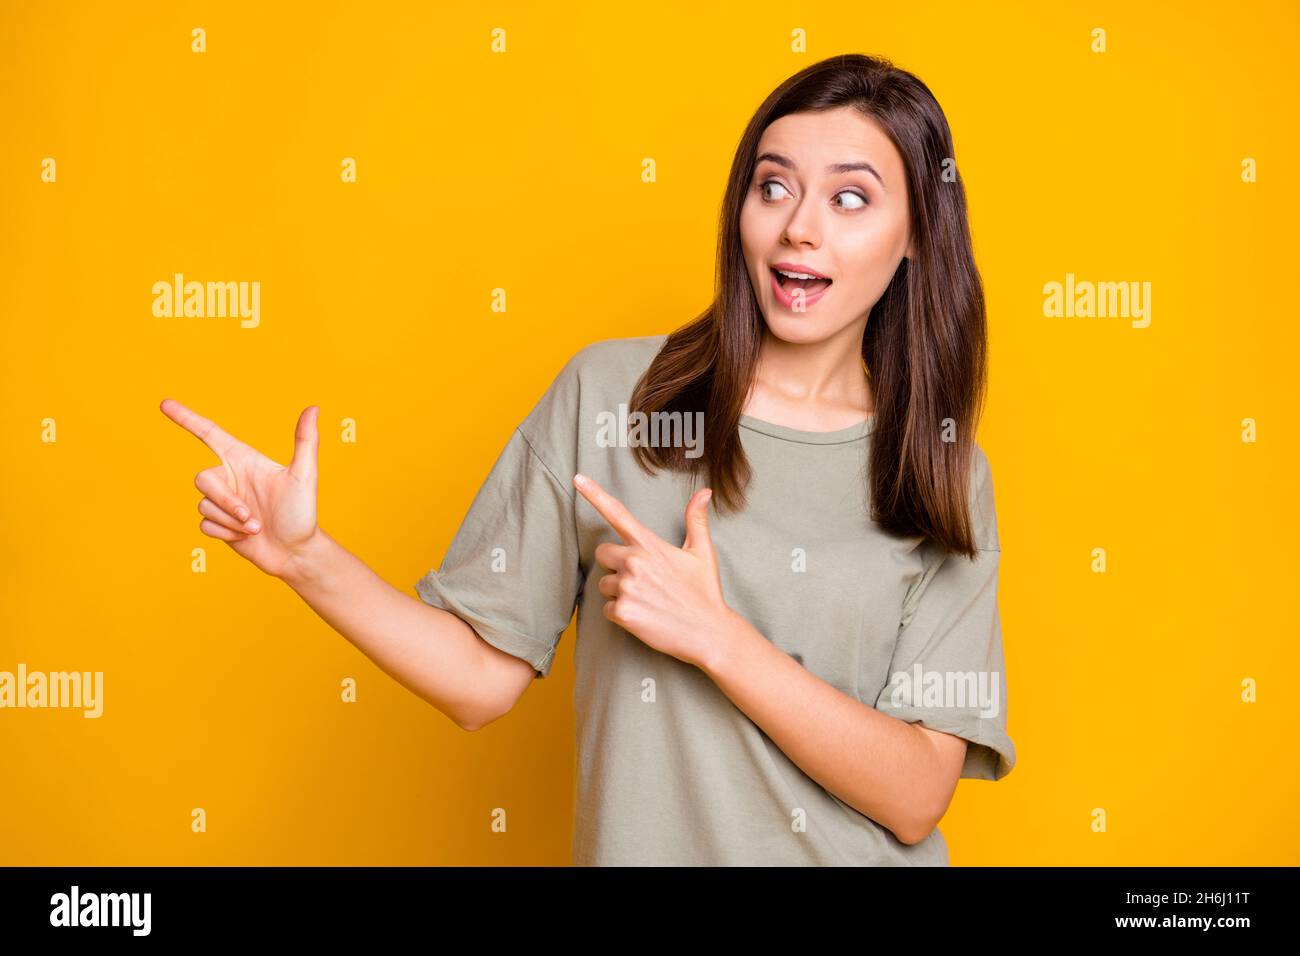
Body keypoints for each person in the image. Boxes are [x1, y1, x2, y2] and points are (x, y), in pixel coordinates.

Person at [160, 52, 1015, 866]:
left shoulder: (936, 466)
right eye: (774, 185)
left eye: (851, 200)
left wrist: (718, 641)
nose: (800, 227)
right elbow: (479, 680)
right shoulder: (615, 398)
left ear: (915, 236)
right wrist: (304, 557)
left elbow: (916, 793)